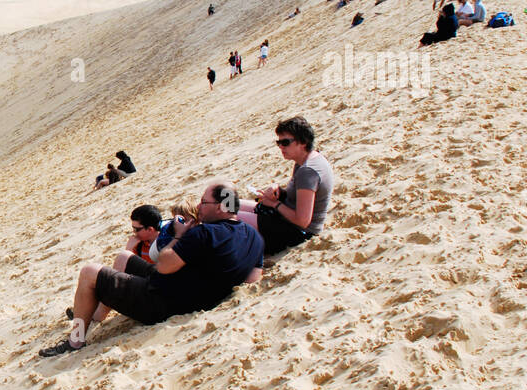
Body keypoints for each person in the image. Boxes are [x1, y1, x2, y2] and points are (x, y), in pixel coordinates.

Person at [40, 182, 264, 356]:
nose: (198, 207)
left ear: (220, 206)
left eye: (203, 203)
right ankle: (96, 315)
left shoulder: (204, 233)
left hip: (163, 300)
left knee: (89, 272)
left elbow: (165, 266)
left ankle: (75, 340)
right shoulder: (253, 236)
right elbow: (253, 278)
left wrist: (180, 235)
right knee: (124, 257)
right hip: (187, 289)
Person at [237, 117, 334, 256]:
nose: (281, 147)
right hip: (283, 218)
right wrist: (278, 191)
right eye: (279, 142)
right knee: (226, 204)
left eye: (285, 142)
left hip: (295, 232)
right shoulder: (305, 161)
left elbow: (303, 221)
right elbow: (297, 196)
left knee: (225, 215)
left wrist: (274, 204)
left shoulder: (308, 171)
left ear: (303, 142)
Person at [66, 205, 167, 326]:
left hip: (154, 290)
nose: (134, 233)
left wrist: (128, 251)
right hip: (141, 283)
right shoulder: (140, 243)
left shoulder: (164, 242)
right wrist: (130, 249)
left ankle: (95, 316)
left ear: (150, 229)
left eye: (136, 229)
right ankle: (92, 311)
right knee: (110, 275)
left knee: (110, 275)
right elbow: (129, 269)